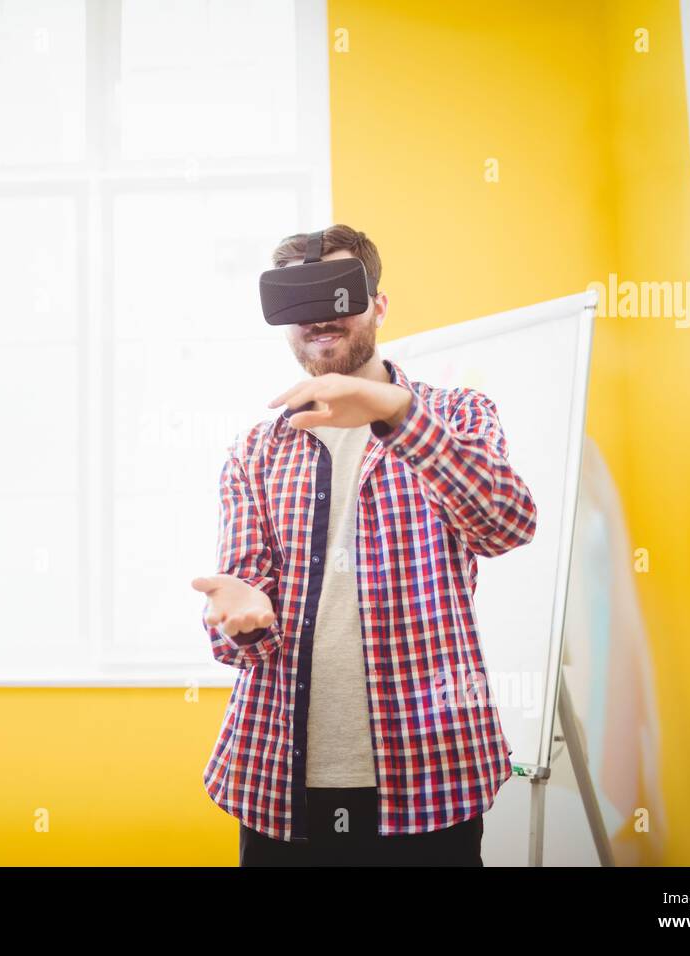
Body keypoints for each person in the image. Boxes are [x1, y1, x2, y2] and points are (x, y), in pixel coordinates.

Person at [191, 224, 538, 866]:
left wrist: (396, 412)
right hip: (280, 783)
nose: (319, 319)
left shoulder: (457, 416)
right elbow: (240, 633)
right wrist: (239, 613)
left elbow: (507, 526)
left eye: (339, 298)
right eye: (300, 306)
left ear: (378, 305)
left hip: (432, 775)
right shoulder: (254, 452)